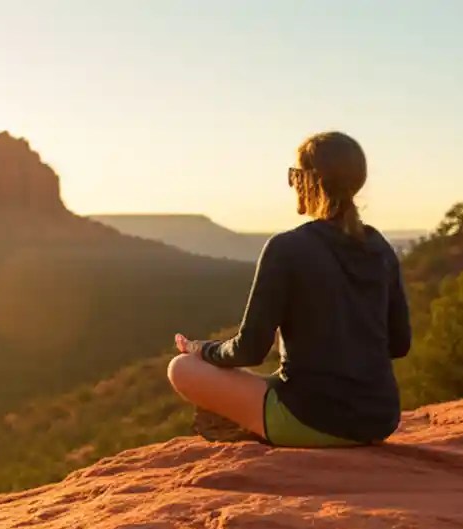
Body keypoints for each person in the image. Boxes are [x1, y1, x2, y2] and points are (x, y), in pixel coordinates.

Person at [168, 131, 411, 447]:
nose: (292, 182)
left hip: (313, 420)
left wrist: (204, 349)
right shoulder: (380, 248)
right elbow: (399, 344)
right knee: (275, 383)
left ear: (307, 180)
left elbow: (250, 350)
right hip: (379, 419)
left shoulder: (286, 247)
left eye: (293, 175)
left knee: (182, 368)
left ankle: (259, 428)